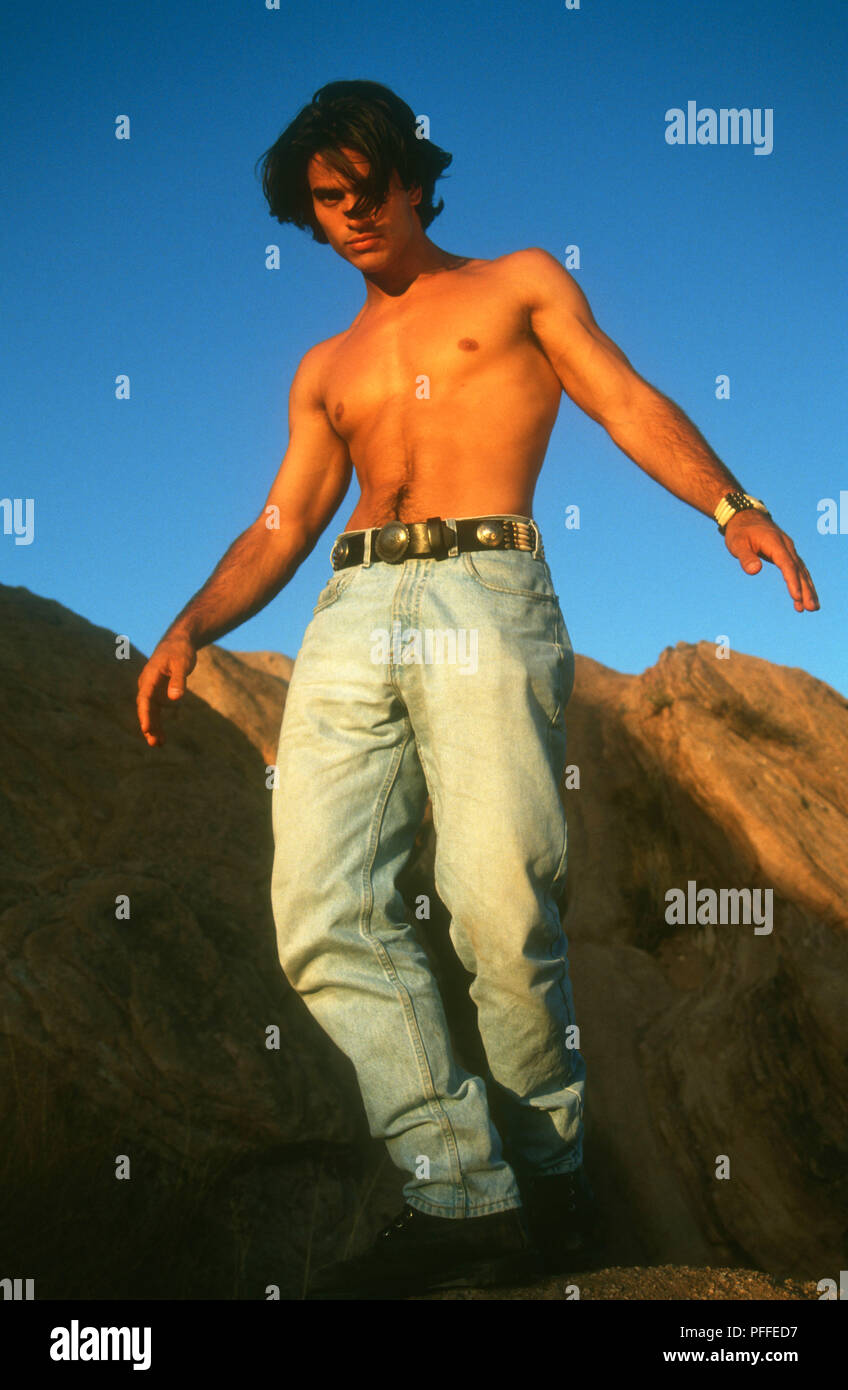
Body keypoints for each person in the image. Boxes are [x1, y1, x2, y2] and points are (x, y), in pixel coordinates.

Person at [136, 80, 820, 1300]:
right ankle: (459, 1191)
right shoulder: (325, 364)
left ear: (410, 176)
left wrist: (731, 505)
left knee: (499, 909)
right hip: (349, 611)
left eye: (358, 189)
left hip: (482, 592)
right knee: (319, 902)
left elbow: (618, 397)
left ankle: (552, 1185)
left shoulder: (517, 285)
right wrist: (192, 620)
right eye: (319, 203)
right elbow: (285, 519)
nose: (342, 215)